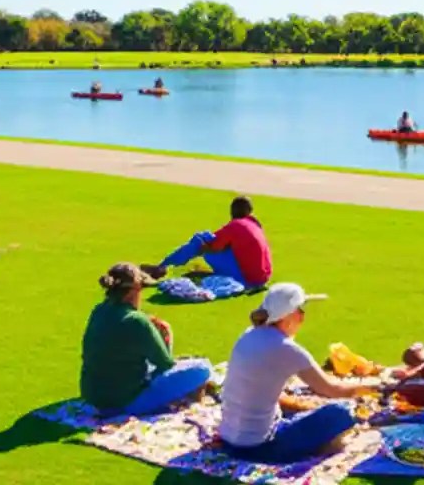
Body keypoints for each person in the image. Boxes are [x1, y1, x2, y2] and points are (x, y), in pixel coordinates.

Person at [219, 283, 371, 463]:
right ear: (290, 315)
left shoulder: (248, 335)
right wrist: (370, 387)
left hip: (228, 440)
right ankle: (320, 447)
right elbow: (333, 389)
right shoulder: (286, 348)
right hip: (261, 448)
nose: (303, 317)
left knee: (298, 407)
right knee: (342, 412)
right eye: (301, 311)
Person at [80, 263, 212, 415]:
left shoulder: (99, 310)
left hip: (93, 396)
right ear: (134, 290)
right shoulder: (137, 321)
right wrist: (165, 335)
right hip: (126, 402)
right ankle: (192, 406)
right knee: (202, 368)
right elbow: (165, 364)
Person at [144, 196, 272, 288]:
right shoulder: (254, 224)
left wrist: (203, 248)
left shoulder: (234, 226)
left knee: (202, 238)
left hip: (248, 279)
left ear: (232, 212)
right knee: (207, 241)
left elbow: (213, 246)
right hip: (262, 278)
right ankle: (164, 265)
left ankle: (163, 266)